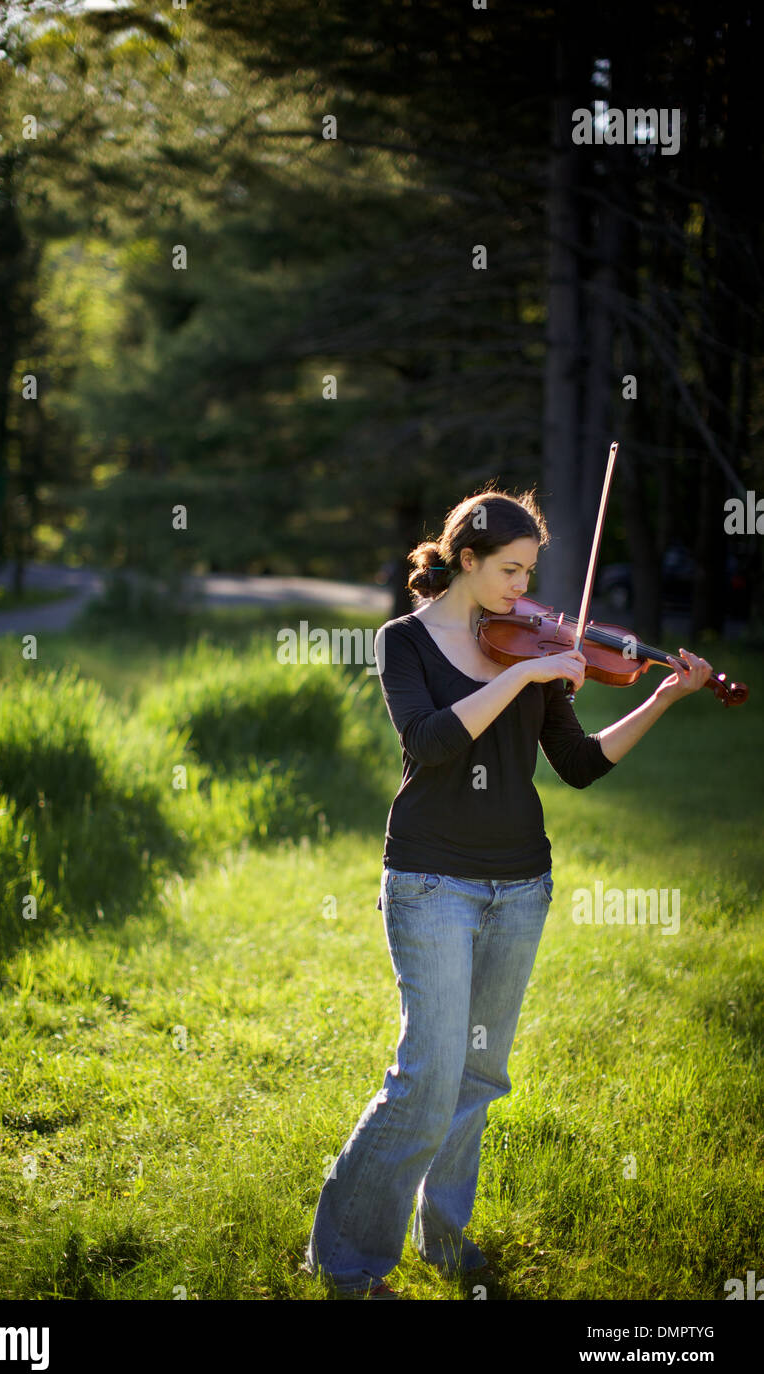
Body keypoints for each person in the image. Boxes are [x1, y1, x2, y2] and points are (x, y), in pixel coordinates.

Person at [301, 485, 712, 1300]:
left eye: (531, 573)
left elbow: (581, 765)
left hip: (521, 882)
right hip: (430, 878)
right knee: (426, 1073)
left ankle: (444, 1236)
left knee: (481, 1074)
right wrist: (526, 672)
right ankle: (344, 1259)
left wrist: (661, 698)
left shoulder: (537, 646)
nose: (526, 592)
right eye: (511, 572)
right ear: (465, 560)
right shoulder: (404, 643)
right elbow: (431, 742)